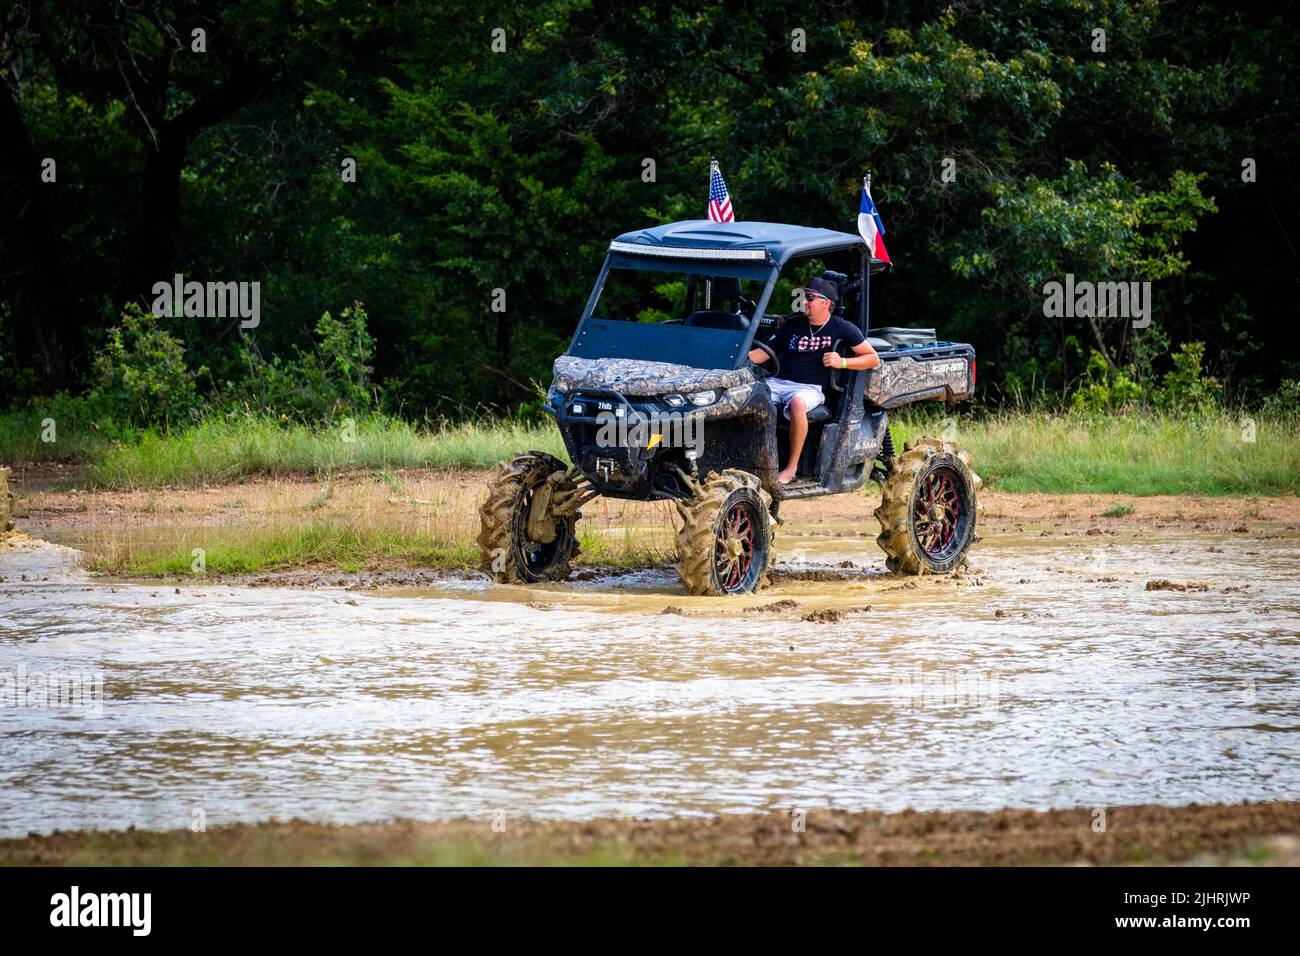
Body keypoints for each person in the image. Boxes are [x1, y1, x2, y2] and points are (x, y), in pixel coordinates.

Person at [747, 277, 880, 484]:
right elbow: (763, 354)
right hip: (778, 382)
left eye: (810, 298)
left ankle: (791, 469)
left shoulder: (842, 327)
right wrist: (733, 362)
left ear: (826, 303)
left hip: (810, 388)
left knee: (798, 403)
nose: (804, 302)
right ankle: (750, 460)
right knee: (746, 395)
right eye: (803, 297)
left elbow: (873, 358)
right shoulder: (792, 324)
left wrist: (842, 362)